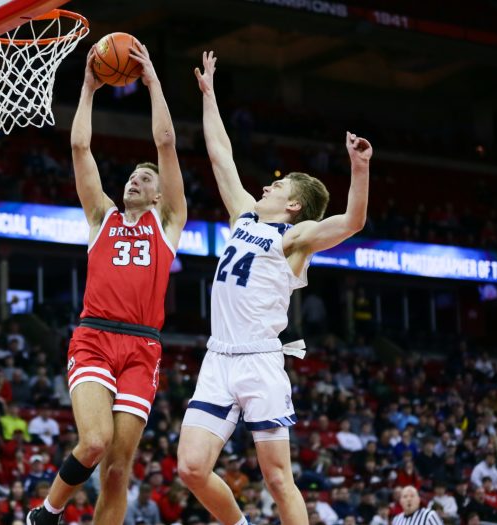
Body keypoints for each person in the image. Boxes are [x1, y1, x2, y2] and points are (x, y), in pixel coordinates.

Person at [177, 50, 371, 525]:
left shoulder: (294, 238)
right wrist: (209, 97)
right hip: (218, 357)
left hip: (260, 360)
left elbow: (352, 222)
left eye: (278, 188)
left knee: (278, 479)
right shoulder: (243, 214)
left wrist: (360, 168)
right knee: (191, 468)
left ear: (293, 207)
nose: (267, 186)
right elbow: (219, 154)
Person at [27, 43, 187, 525]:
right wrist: (88, 88)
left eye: (144, 179)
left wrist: (154, 82)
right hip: (95, 338)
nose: (134, 181)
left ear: (159, 193)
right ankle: (48, 512)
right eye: (132, 176)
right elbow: (79, 148)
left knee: (118, 470)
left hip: (142, 348)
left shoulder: (169, 221)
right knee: (94, 442)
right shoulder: (101, 216)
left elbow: (165, 144)